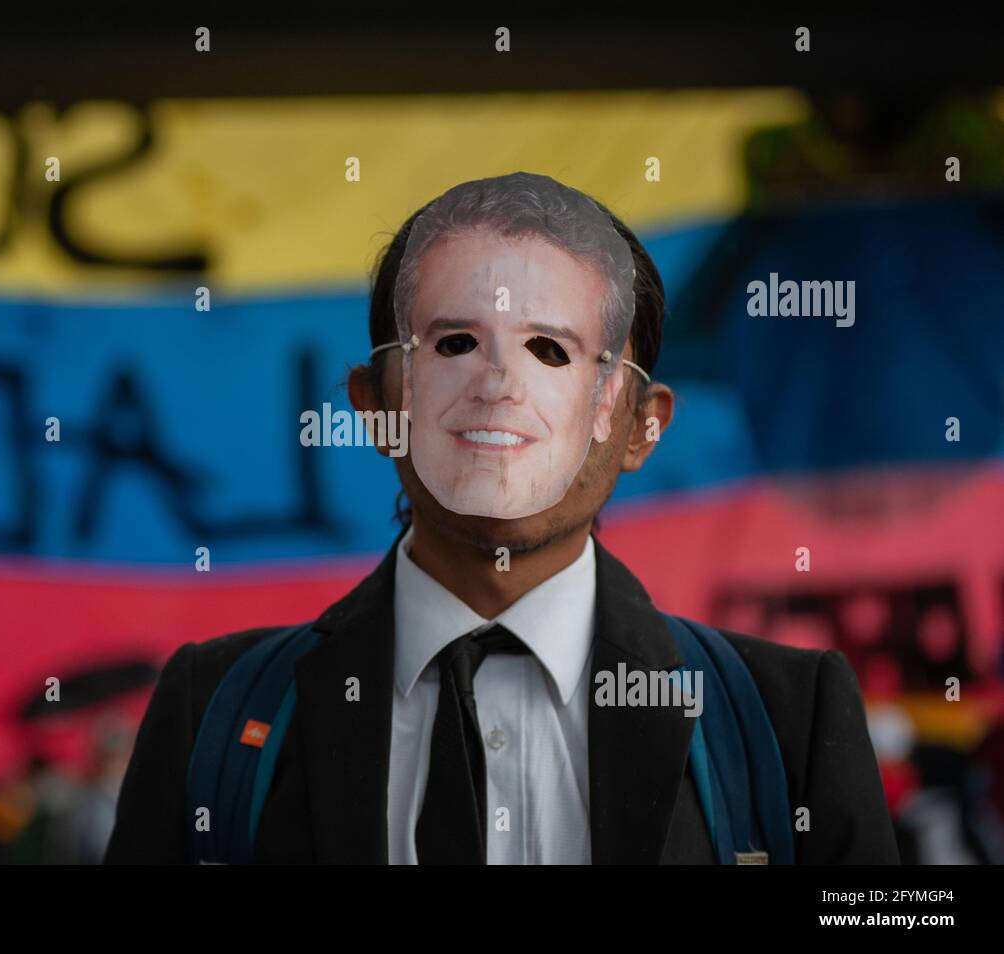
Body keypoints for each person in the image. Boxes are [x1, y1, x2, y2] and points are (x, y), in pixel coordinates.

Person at [105, 172, 899, 864]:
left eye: (551, 352)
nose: (498, 388)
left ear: (641, 426)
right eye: (453, 343)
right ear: (377, 408)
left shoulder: (789, 722)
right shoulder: (211, 712)